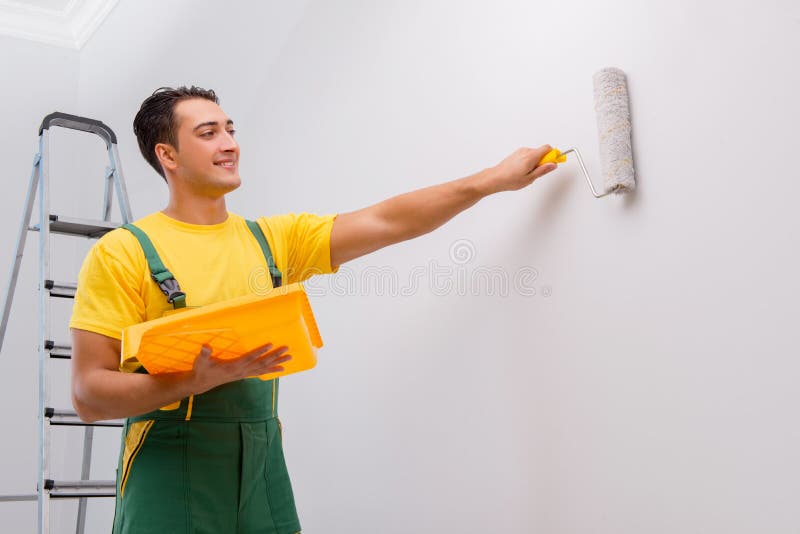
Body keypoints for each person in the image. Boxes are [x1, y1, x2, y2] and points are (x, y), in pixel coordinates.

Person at [69, 86, 557, 533]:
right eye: (208, 132)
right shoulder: (124, 253)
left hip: (262, 467)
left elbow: (388, 221)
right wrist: (188, 382)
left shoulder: (274, 241)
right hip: (170, 468)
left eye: (231, 129)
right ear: (167, 154)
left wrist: (492, 180)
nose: (230, 143)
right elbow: (89, 394)